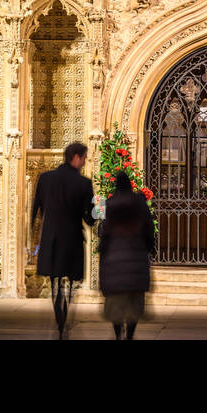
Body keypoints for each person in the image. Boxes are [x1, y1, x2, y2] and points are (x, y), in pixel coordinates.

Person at [30, 140, 97, 338]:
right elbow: (89, 219)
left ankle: (58, 312)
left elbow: (36, 210)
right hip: (72, 240)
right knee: (68, 280)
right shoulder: (84, 183)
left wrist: (32, 237)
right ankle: (64, 312)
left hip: (51, 238)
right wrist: (99, 210)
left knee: (55, 279)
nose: (84, 162)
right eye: (84, 158)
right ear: (76, 158)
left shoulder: (45, 179)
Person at [98, 169, 156, 340]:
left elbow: (103, 232)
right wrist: (146, 250)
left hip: (114, 263)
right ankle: (130, 335)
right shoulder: (140, 204)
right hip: (136, 261)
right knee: (134, 306)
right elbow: (149, 232)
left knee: (115, 307)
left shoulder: (110, 204)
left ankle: (118, 335)